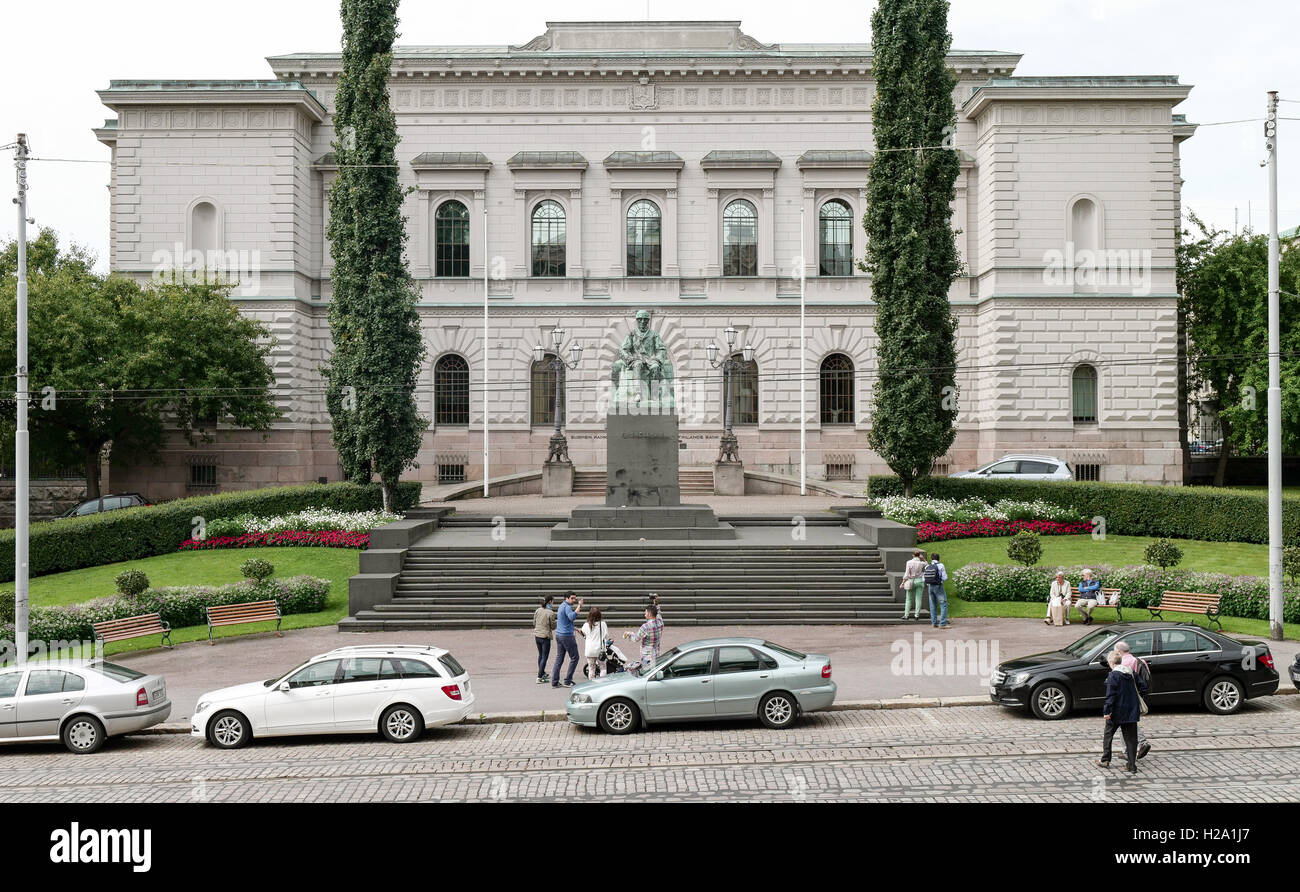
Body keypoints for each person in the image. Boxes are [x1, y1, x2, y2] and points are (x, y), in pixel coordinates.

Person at [1096, 650, 1147, 774]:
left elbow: (1111, 696)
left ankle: (1105, 759)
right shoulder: (1131, 672)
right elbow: (1144, 687)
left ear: (1111, 663)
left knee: (1108, 735)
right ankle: (1131, 765)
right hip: (1131, 711)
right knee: (1131, 739)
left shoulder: (1113, 676)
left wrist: (1107, 711)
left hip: (1116, 712)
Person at [1114, 641, 1153, 760]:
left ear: (1119, 652)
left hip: (1126, 697)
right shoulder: (1139, 660)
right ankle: (1139, 744)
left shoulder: (1123, 663)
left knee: (1123, 723)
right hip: (1136, 696)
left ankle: (1134, 747)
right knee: (1130, 722)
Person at [551, 591, 584, 688]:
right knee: (575, 657)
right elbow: (572, 617)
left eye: (575, 598)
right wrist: (579, 606)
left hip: (559, 635)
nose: (574, 600)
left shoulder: (561, 606)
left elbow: (564, 621)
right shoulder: (567, 607)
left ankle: (555, 682)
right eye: (572, 598)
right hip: (567, 636)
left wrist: (575, 629)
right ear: (567, 598)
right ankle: (567, 680)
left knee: (559, 658)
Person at [624, 604, 663, 670]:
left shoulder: (645, 627)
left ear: (650, 614)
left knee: (646, 672)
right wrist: (656, 603)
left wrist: (628, 634)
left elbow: (636, 638)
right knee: (654, 671)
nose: (645, 614)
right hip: (656, 653)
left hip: (647, 655)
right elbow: (658, 613)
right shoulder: (660, 622)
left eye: (646, 612)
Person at [532, 595, 557, 684]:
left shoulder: (538, 610)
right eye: (553, 601)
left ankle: (542, 672)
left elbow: (534, 622)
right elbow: (553, 626)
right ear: (550, 601)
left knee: (540, 655)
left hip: (537, 635)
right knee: (544, 657)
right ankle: (539, 677)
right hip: (545, 637)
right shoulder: (551, 613)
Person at [580, 607, 610, 679]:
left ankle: (592, 685)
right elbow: (606, 636)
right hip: (600, 650)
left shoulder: (586, 625)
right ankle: (602, 684)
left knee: (591, 669)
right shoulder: (603, 624)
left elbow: (584, 634)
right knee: (603, 668)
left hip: (590, 650)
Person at [923, 553, 950, 628]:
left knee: (932, 605)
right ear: (938, 558)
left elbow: (923, 578)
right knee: (943, 604)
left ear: (931, 559)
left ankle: (934, 623)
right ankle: (942, 624)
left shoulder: (927, 566)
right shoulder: (941, 565)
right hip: (938, 586)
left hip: (930, 586)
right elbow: (944, 578)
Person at [900, 550, 928, 621]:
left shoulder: (909, 562)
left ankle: (906, 615)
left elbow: (906, 574)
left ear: (913, 555)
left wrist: (903, 583)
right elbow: (927, 565)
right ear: (919, 555)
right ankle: (916, 615)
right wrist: (923, 558)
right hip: (919, 581)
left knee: (909, 599)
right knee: (918, 599)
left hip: (911, 581)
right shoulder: (921, 563)